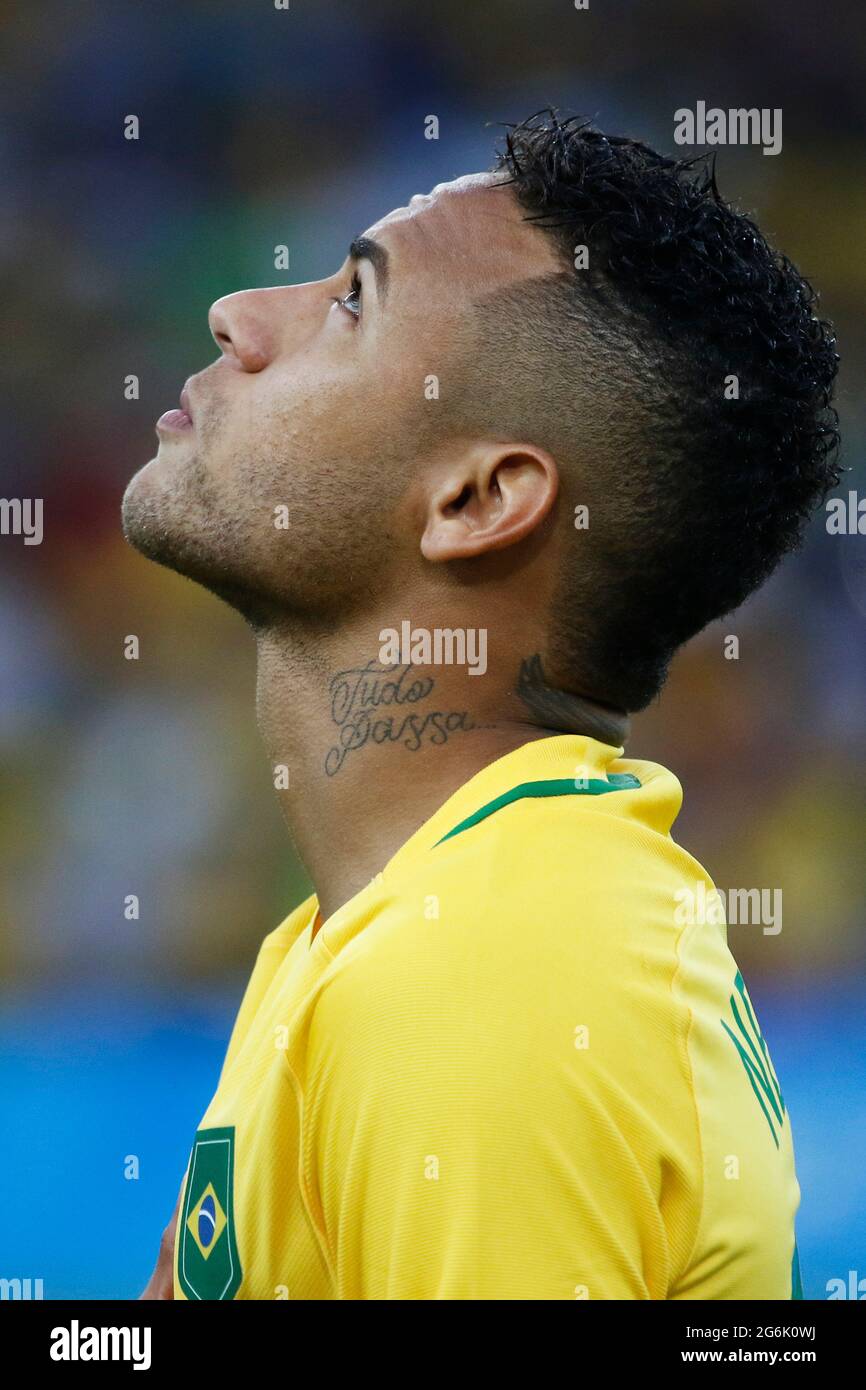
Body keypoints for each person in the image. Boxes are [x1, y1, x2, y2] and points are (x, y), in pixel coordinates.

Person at [125, 112, 838, 1300]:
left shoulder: (491, 970)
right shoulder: (391, 936)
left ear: (475, 498)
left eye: (353, 301)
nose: (240, 314)